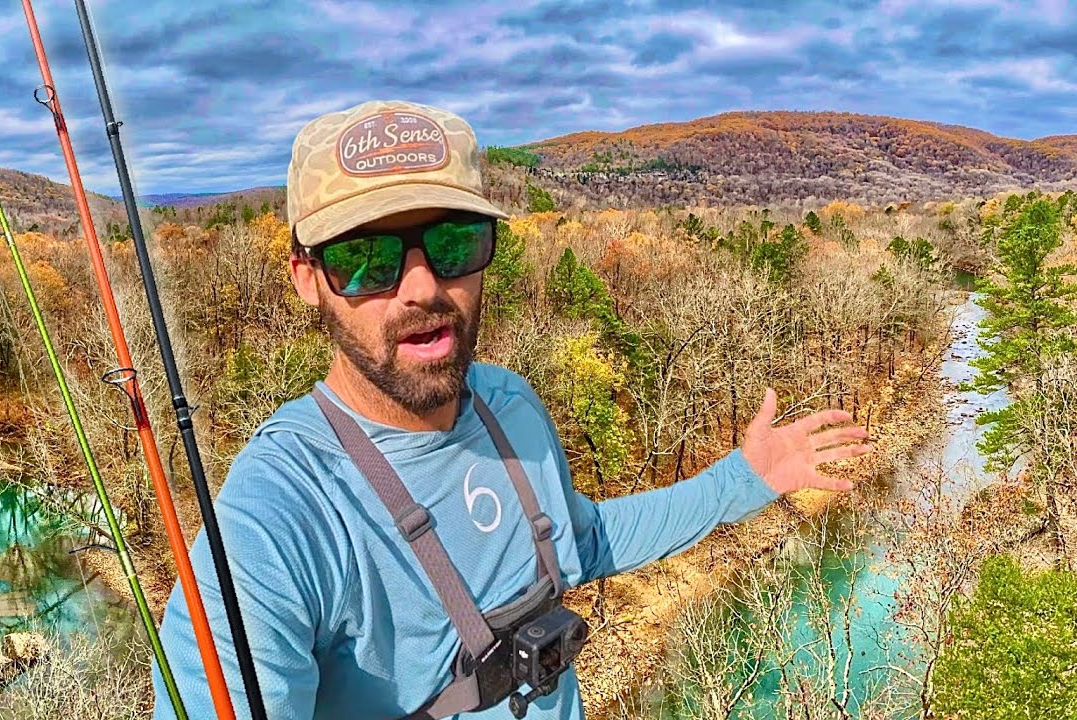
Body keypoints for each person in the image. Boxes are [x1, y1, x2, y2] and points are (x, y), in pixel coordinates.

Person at [152, 99, 873, 719]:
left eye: (453, 242)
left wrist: (746, 478)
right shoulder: (273, 523)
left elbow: (582, 543)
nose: (422, 287)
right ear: (307, 278)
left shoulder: (508, 405)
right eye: (367, 258)